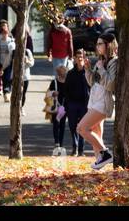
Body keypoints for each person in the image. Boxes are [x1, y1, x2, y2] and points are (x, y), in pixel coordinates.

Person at [77, 32, 118, 170]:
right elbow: (92, 83)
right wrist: (87, 69)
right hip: (94, 100)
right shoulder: (100, 61)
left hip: (104, 101)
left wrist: (100, 68)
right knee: (96, 131)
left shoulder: (114, 62)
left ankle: (105, 153)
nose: (97, 46)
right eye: (97, 43)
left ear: (108, 45)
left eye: (100, 43)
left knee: (82, 128)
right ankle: (99, 164)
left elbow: (111, 85)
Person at [64, 51, 92, 156]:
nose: (80, 59)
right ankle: (74, 146)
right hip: (72, 104)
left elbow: (92, 87)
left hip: (85, 104)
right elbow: (66, 89)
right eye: (78, 57)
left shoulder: (88, 73)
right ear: (75, 59)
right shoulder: (70, 73)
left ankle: (81, 149)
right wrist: (67, 103)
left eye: (82, 57)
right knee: (72, 126)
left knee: (83, 127)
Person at [44, 66, 69, 152]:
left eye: (65, 72)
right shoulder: (54, 82)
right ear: (59, 73)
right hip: (55, 106)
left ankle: (61, 143)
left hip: (64, 107)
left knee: (62, 125)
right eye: (62, 72)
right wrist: (53, 93)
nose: (64, 74)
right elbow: (48, 93)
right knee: (56, 124)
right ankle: (56, 142)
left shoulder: (68, 82)